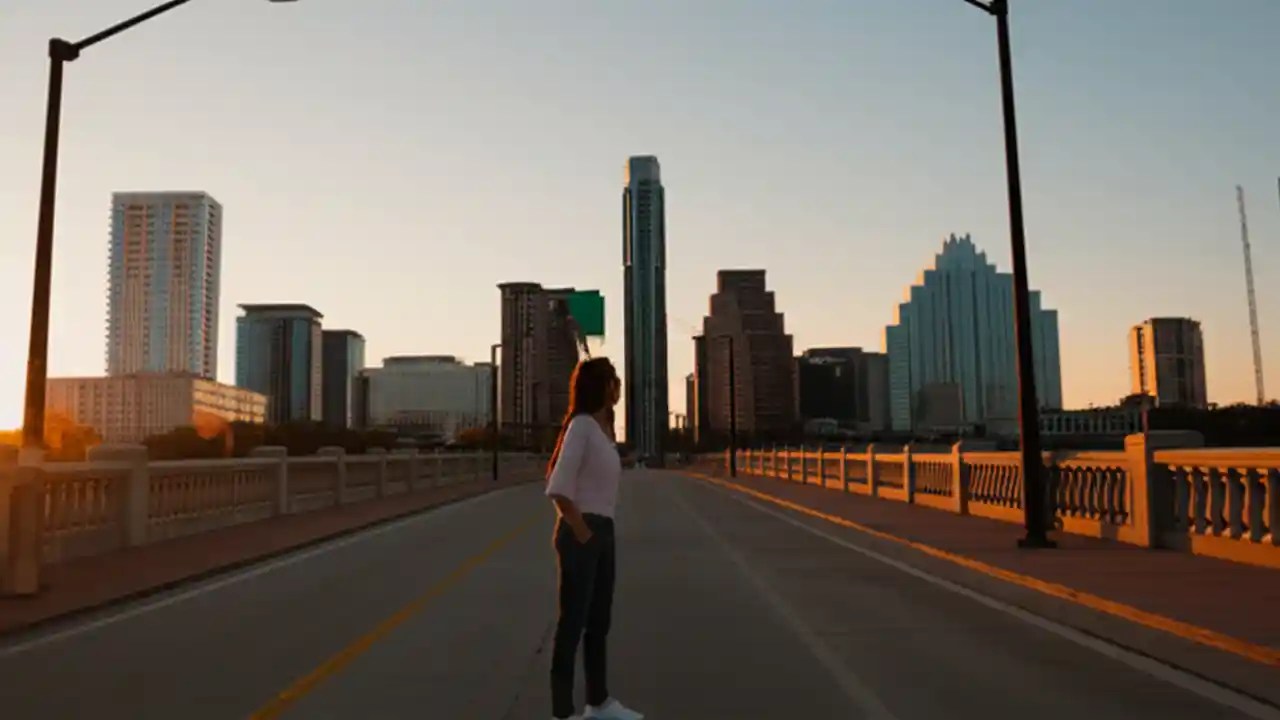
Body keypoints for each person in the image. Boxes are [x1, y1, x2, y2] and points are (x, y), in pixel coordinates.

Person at [545, 358, 644, 720]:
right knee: (572, 624)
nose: (618, 386)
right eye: (613, 380)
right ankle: (562, 713)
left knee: (599, 623)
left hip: (604, 529)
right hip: (581, 530)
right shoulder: (582, 426)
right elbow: (558, 488)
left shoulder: (602, 431)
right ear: (601, 386)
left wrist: (600, 536)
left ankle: (599, 704)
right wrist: (584, 534)